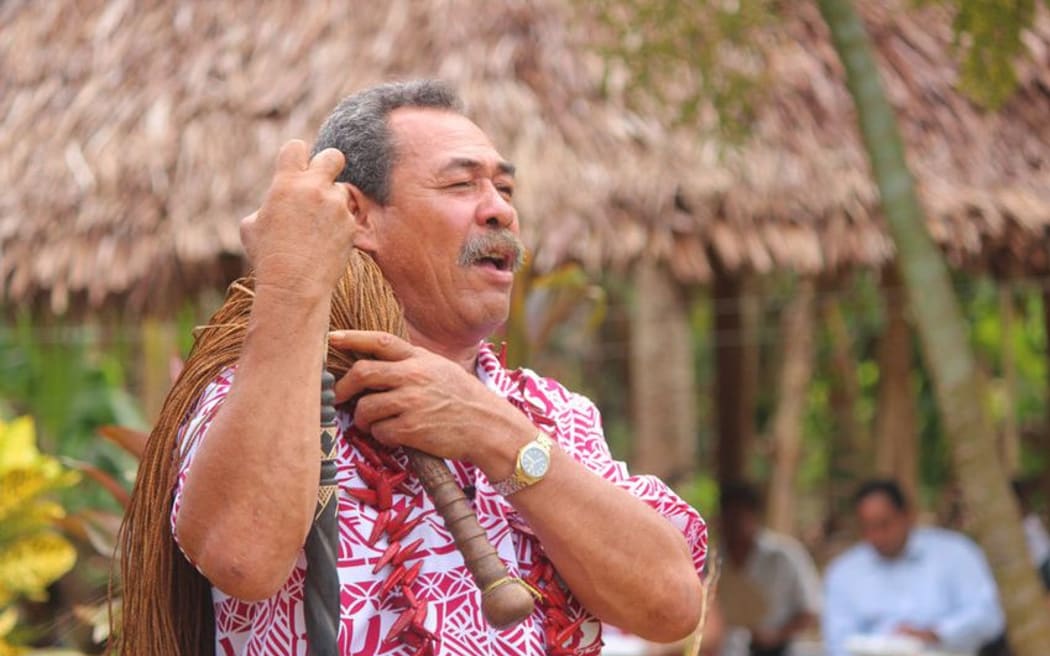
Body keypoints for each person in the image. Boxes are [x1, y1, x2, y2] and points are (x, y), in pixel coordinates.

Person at [115, 80, 708, 655]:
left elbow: (671, 606)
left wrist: (492, 431)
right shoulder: (258, 395)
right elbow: (240, 554)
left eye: (505, 188)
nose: (500, 210)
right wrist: (293, 279)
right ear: (357, 216)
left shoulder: (553, 415)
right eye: (460, 184)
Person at [823, 480, 1005, 656]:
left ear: (907, 515)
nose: (876, 536)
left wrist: (936, 634)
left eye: (884, 524)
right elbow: (838, 642)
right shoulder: (844, 572)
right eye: (867, 528)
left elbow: (989, 615)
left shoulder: (955, 553)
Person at [717, 482, 821, 656]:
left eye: (739, 517)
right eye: (729, 517)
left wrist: (777, 635)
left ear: (754, 515)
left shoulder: (786, 556)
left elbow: (810, 610)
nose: (733, 525)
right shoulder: (712, 560)